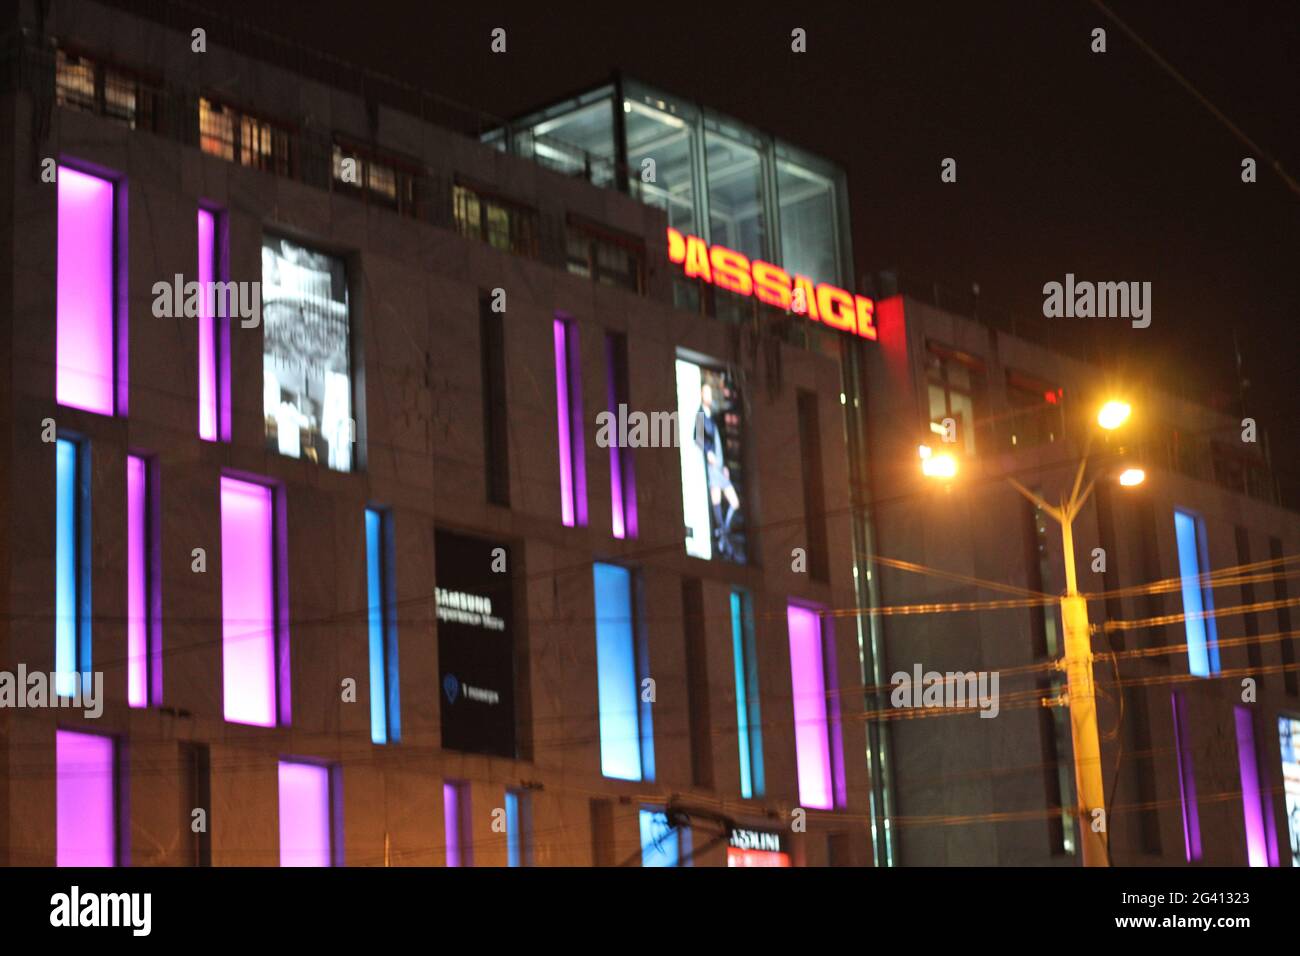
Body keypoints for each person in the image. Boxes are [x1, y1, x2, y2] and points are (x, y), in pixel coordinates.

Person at [694, 381, 742, 559]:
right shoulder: (701, 415)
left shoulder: (712, 417)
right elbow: (698, 438)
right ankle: (722, 533)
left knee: (733, 502)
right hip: (713, 466)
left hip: (720, 466)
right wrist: (709, 453)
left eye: (709, 393)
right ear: (701, 395)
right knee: (719, 499)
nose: (709, 397)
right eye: (706, 393)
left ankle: (723, 531)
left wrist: (725, 465)